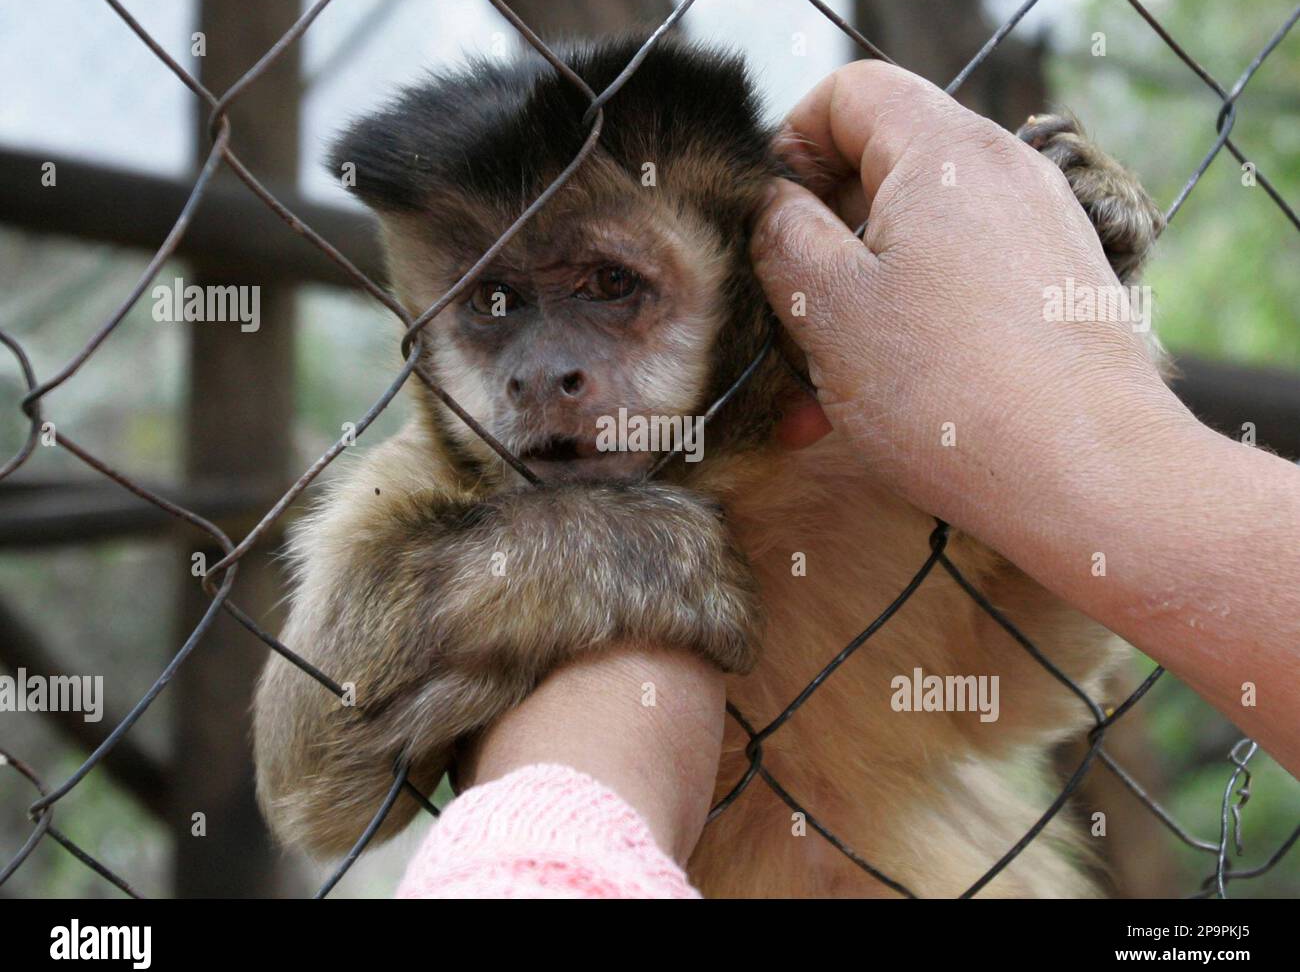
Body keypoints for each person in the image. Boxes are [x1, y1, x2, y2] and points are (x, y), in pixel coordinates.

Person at [395, 61, 1300, 898]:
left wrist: (1093, 331)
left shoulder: (858, 423)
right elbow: (321, 785)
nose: (542, 372)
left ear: (747, 266)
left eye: (609, 284)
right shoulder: (441, 490)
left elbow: (1025, 679)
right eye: (490, 305)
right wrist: (587, 548)